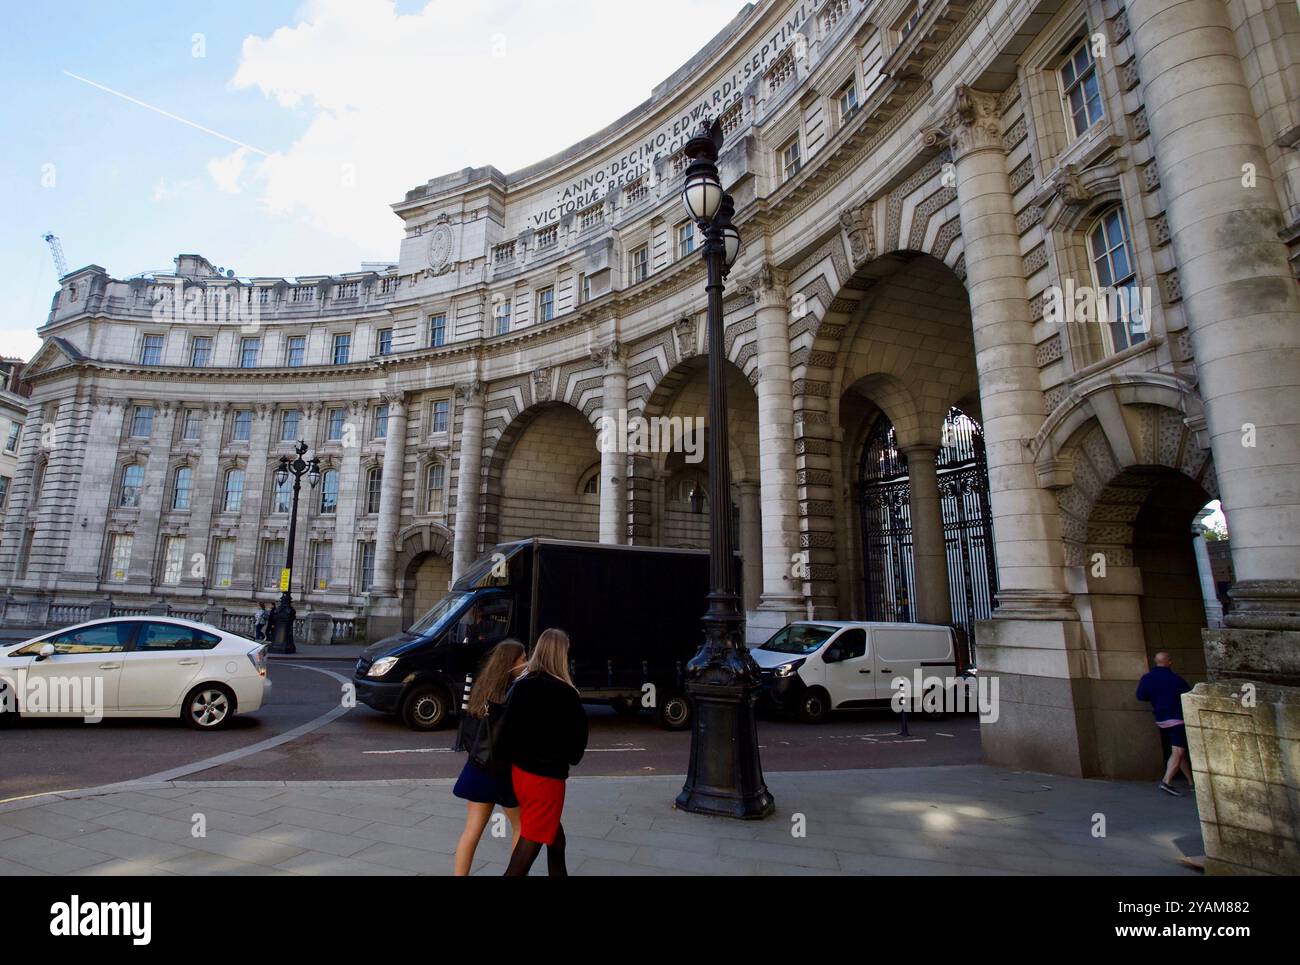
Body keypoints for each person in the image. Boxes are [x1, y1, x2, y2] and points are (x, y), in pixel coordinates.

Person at [497, 628, 587, 876]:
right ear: (561, 654)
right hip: (547, 779)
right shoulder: (566, 694)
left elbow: (506, 732)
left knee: (557, 840)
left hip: (521, 775)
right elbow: (576, 747)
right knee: (530, 844)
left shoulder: (522, 686)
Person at [452, 639, 526, 875]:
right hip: (504, 773)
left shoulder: (482, 687)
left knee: (471, 830)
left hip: (478, 767)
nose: (526, 664)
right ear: (511, 663)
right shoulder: (515, 693)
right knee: (521, 829)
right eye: (523, 659)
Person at [1136, 651, 1194, 796]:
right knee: (1179, 751)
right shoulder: (1175, 679)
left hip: (1161, 719)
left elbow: (1141, 696)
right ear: (1169, 662)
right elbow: (1189, 695)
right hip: (1177, 718)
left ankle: (1191, 783)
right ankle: (1166, 782)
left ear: (1156, 662)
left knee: (1178, 751)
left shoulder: (1147, 678)